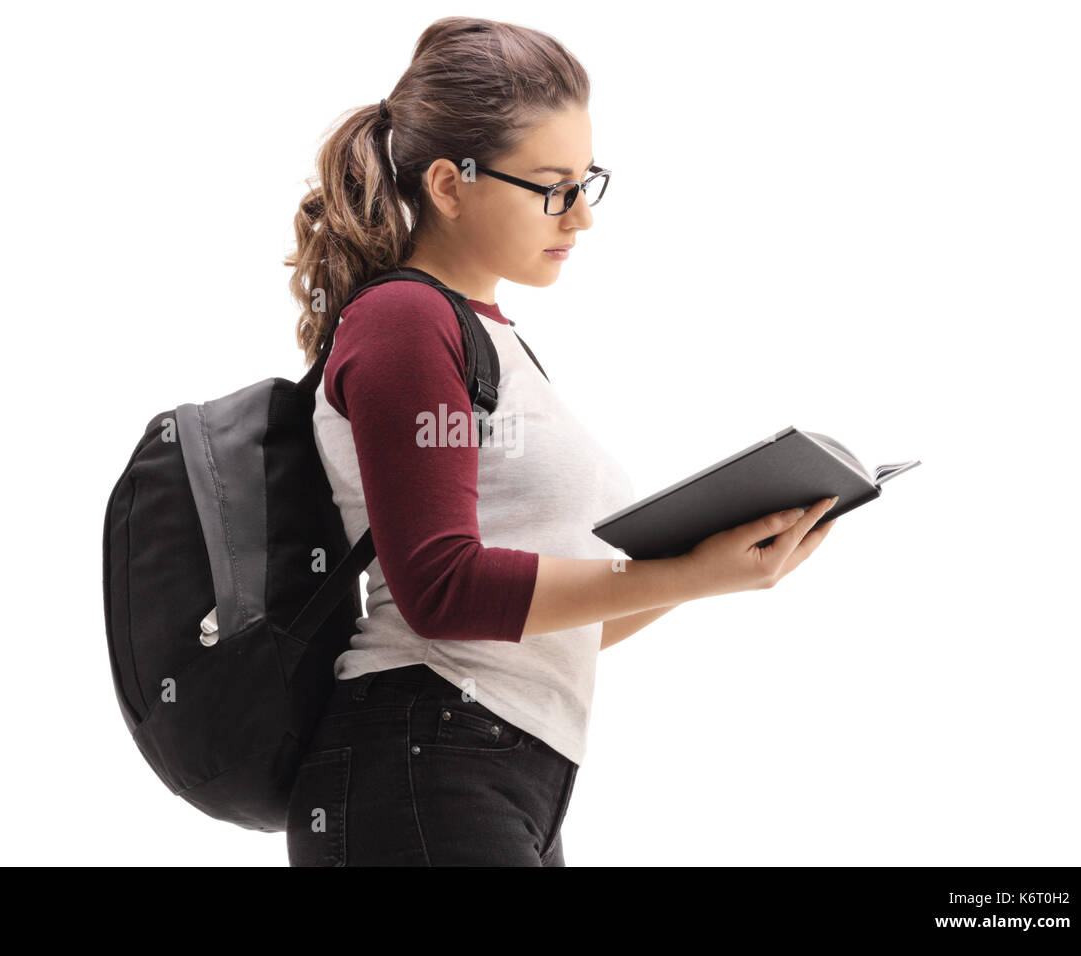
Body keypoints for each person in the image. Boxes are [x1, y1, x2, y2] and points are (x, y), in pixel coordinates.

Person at [282, 16, 837, 867]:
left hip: (493, 766)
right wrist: (688, 571)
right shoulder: (405, 320)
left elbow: (545, 627)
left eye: (588, 182)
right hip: (427, 756)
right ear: (449, 183)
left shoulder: (488, 339)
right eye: (552, 186)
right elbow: (440, 590)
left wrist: (720, 567)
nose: (580, 219)